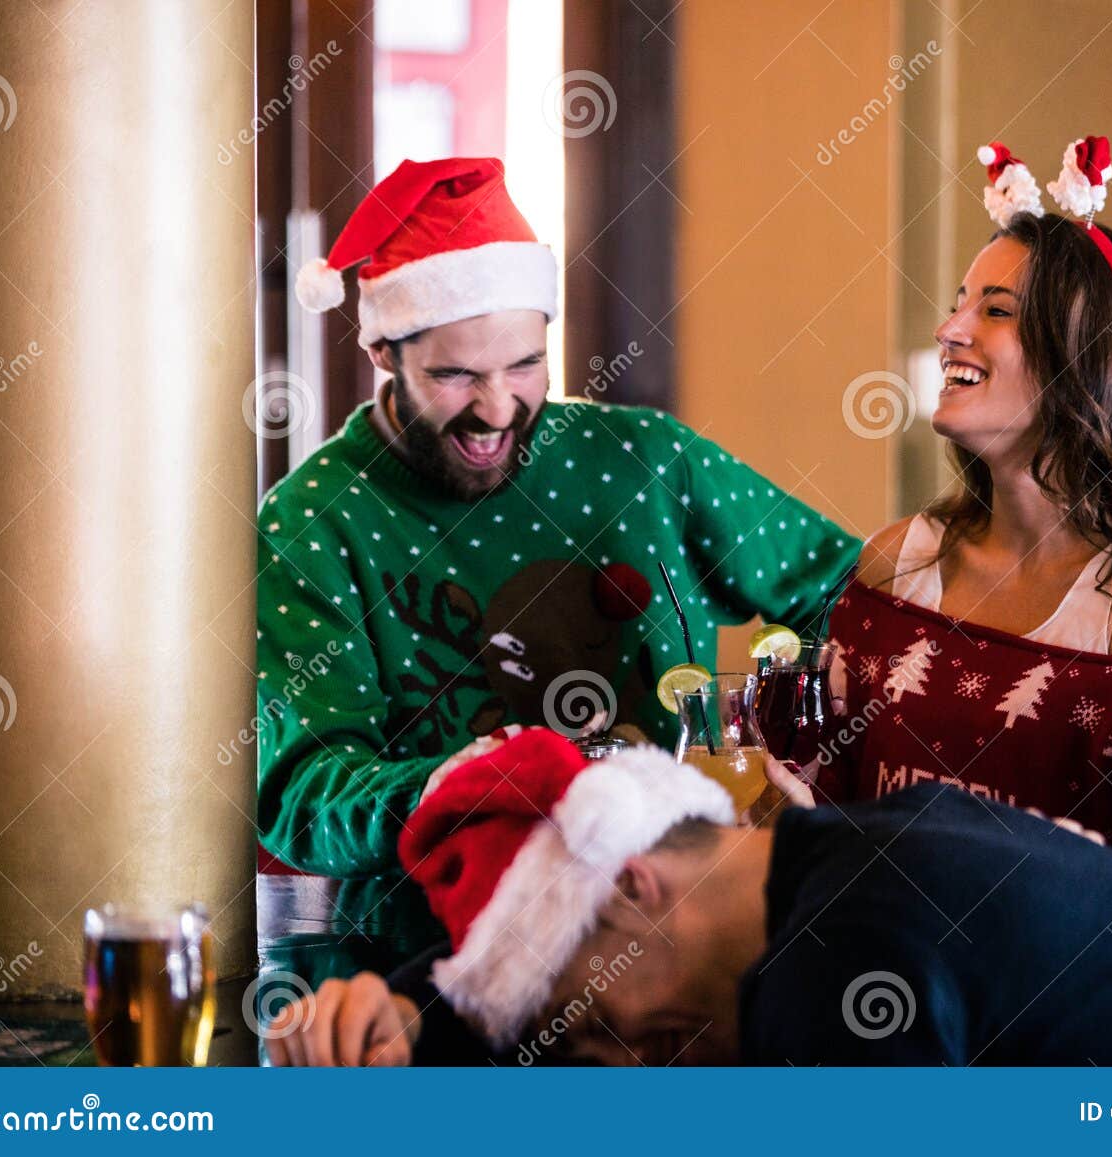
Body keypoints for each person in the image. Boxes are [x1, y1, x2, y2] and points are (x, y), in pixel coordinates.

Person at [257, 157, 860, 887]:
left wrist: (796, 731)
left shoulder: (649, 460)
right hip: (429, 943)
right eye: (455, 376)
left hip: (680, 912)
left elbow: (852, 594)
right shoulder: (312, 521)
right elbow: (304, 796)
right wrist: (459, 785)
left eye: (524, 366)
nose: (498, 408)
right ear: (383, 351)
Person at [264, 729, 1112, 1066]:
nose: (627, 1056)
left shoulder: (849, 968)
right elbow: (545, 957)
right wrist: (409, 1012)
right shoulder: (841, 852)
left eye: (604, 1024)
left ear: (640, 882)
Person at [818, 136, 1112, 834]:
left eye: (994, 310)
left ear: (1093, 359)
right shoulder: (898, 566)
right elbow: (820, 807)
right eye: (960, 304)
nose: (948, 330)